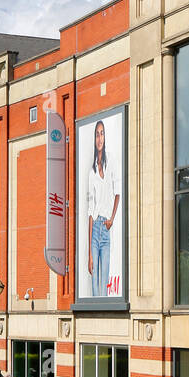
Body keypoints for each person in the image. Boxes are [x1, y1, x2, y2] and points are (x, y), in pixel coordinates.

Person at [87, 119, 120, 298]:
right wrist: (89, 255)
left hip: (105, 228)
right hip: (95, 230)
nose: (100, 138)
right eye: (97, 134)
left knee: (104, 276)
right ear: (94, 139)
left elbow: (118, 193)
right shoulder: (91, 172)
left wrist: (112, 219)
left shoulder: (111, 161)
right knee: (94, 279)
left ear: (105, 137)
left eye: (102, 133)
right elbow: (90, 213)